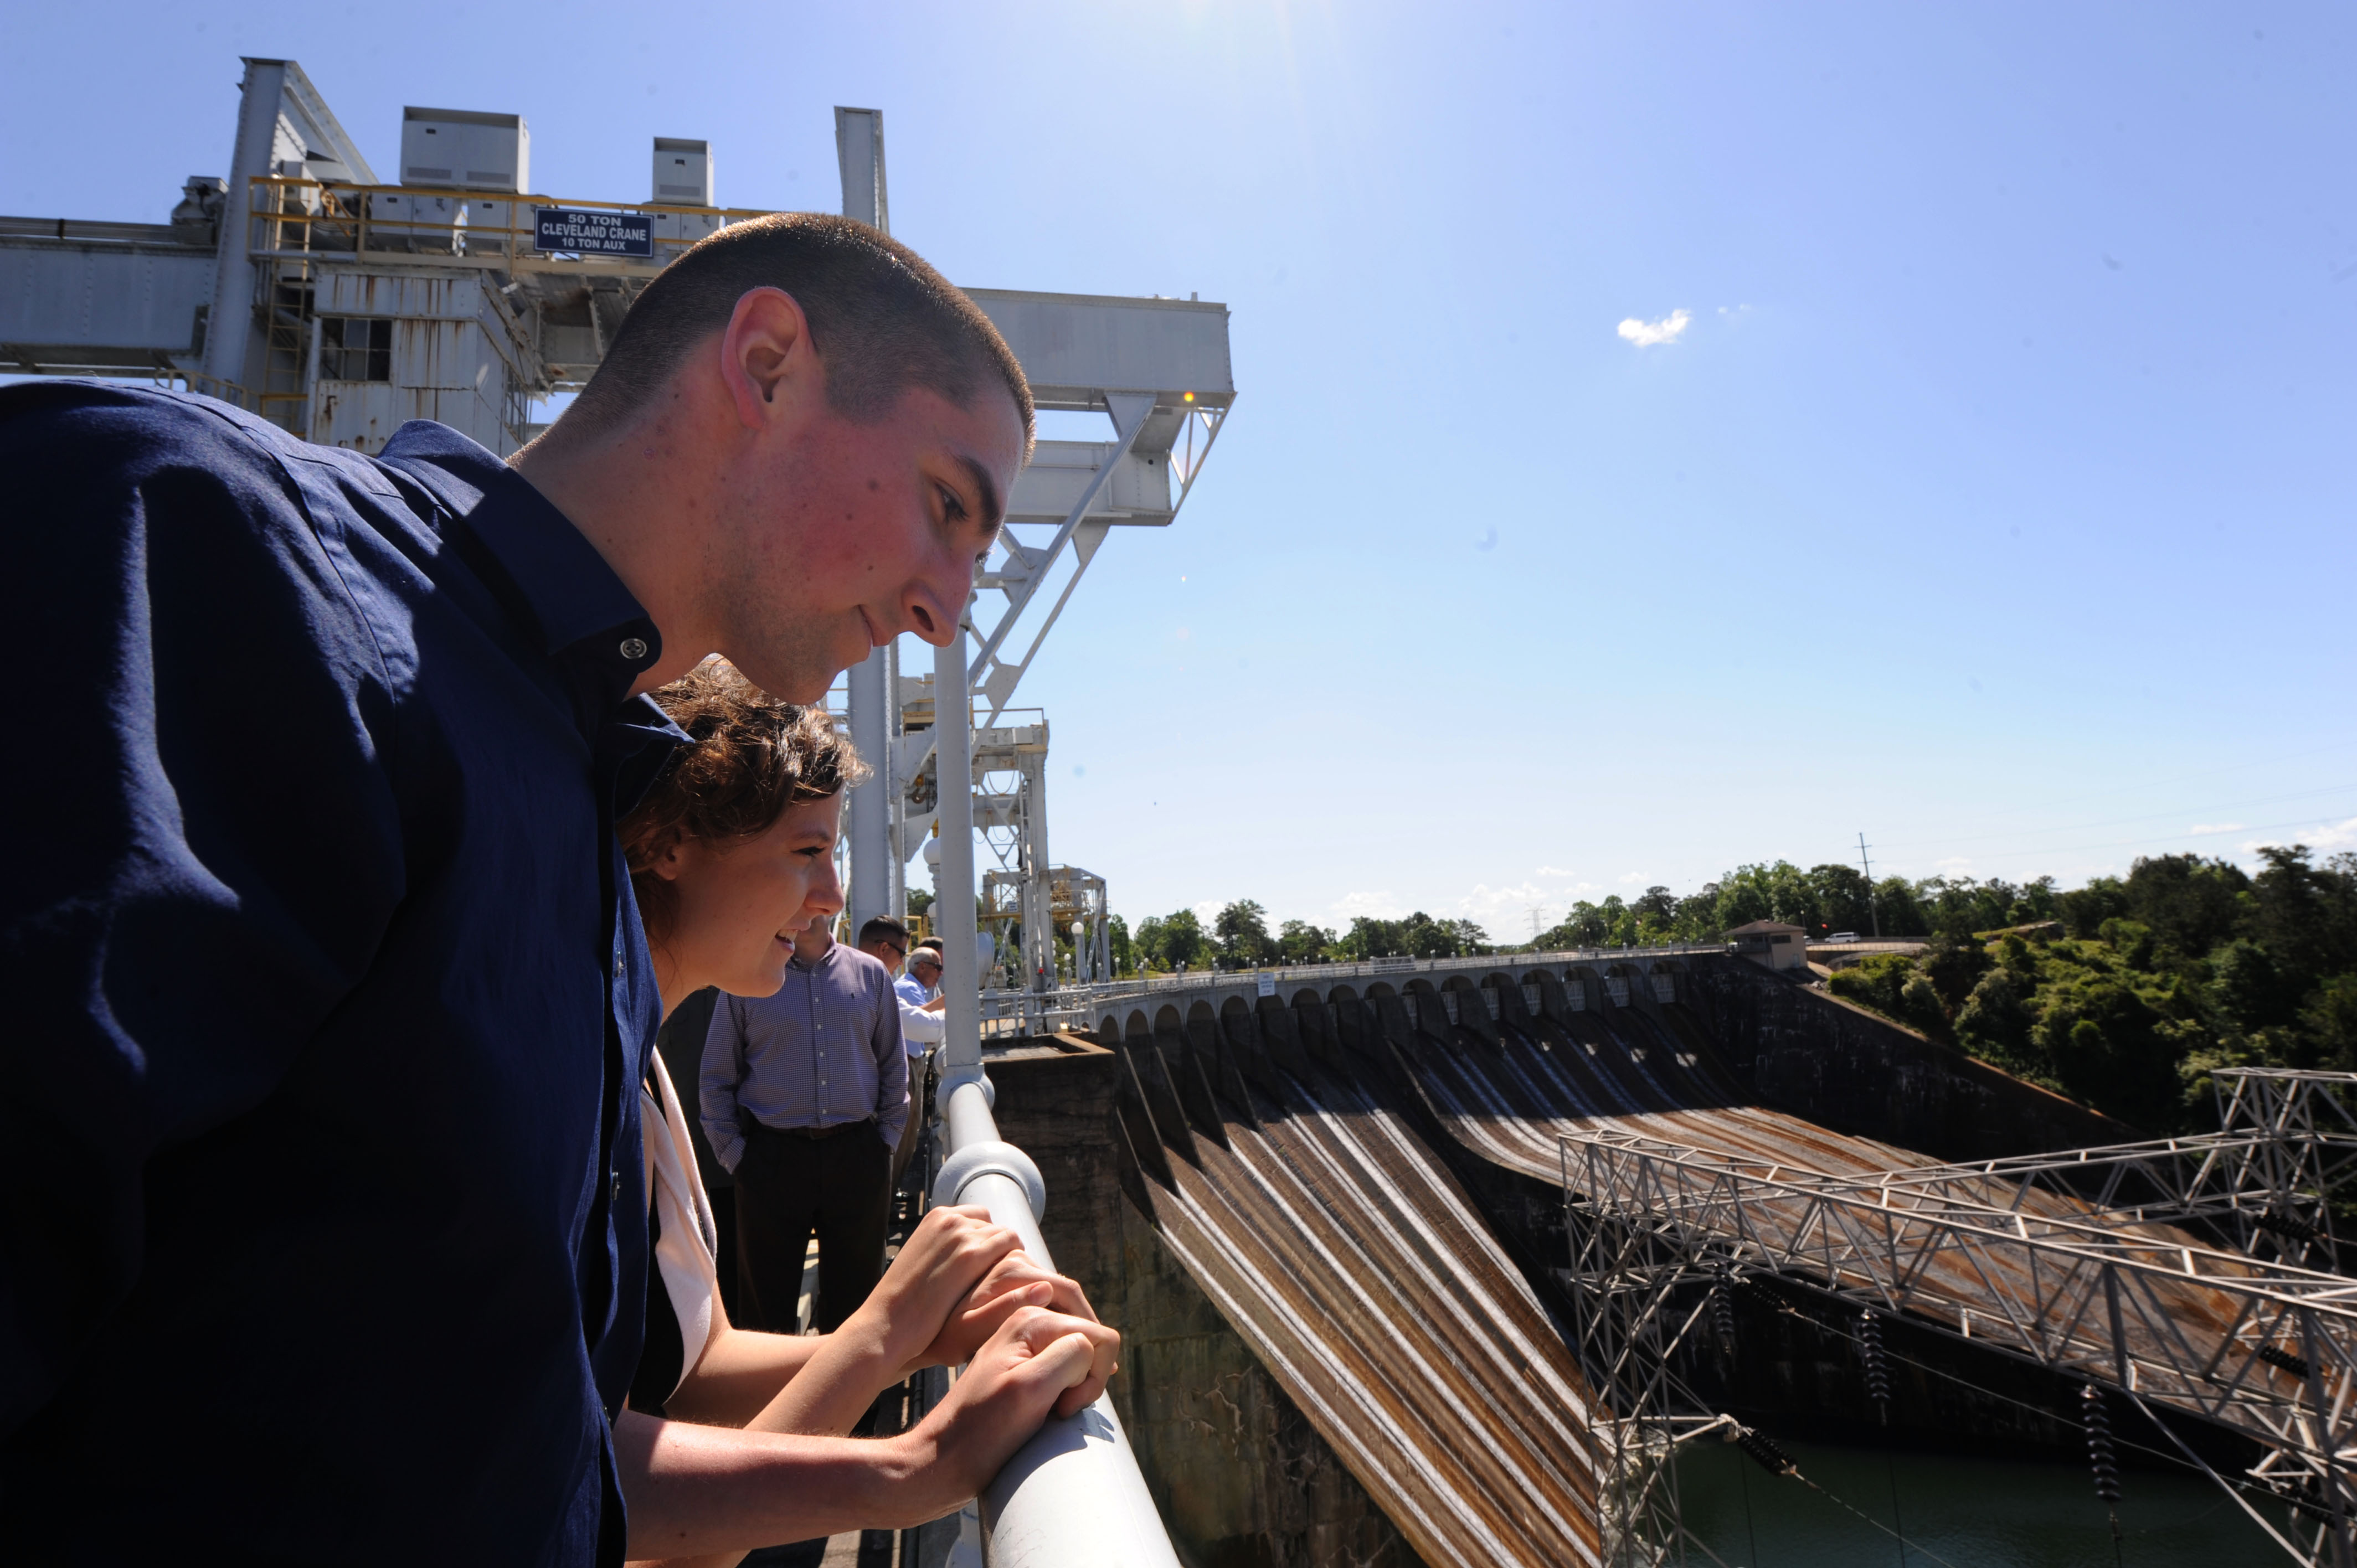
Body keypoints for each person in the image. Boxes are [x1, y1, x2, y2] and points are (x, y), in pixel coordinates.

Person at [2, 212, 1050, 1563]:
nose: (947, 612)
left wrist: (916, 1467)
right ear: (767, 364)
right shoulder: (199, 537)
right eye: (948, 505)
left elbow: (524, 1453)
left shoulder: (579, 811)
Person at [619, 661, 1115, 1568]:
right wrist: (909, 1466)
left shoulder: (636, 1072)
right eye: (806, 852)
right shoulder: (556, 1101)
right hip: (779, 1160)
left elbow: (687, 1380)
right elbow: (573, 1498)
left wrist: (906, 1338)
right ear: (671, 841)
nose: (834, 899)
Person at [701, 875, 907, 1337]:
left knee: (857, 1308)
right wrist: (737, 1157)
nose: (806, 905)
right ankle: (773, 1387)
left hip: (857, 1154)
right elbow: (716, 1077)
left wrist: (884, 1142)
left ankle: (850, 1389)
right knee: (764, 1310)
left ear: (832, 905)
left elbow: (894, 1066)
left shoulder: (871, 975)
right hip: (772, 1158)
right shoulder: (747, 979)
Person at [857, 917, 945, 1183]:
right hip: (873, 1092)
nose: (902, 962)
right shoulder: (876, 986)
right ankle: (886, 1194)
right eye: (902, 954)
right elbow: (924, 1026)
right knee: (893, 1143)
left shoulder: (850, 981)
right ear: (884, 949)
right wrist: (958, 1005)